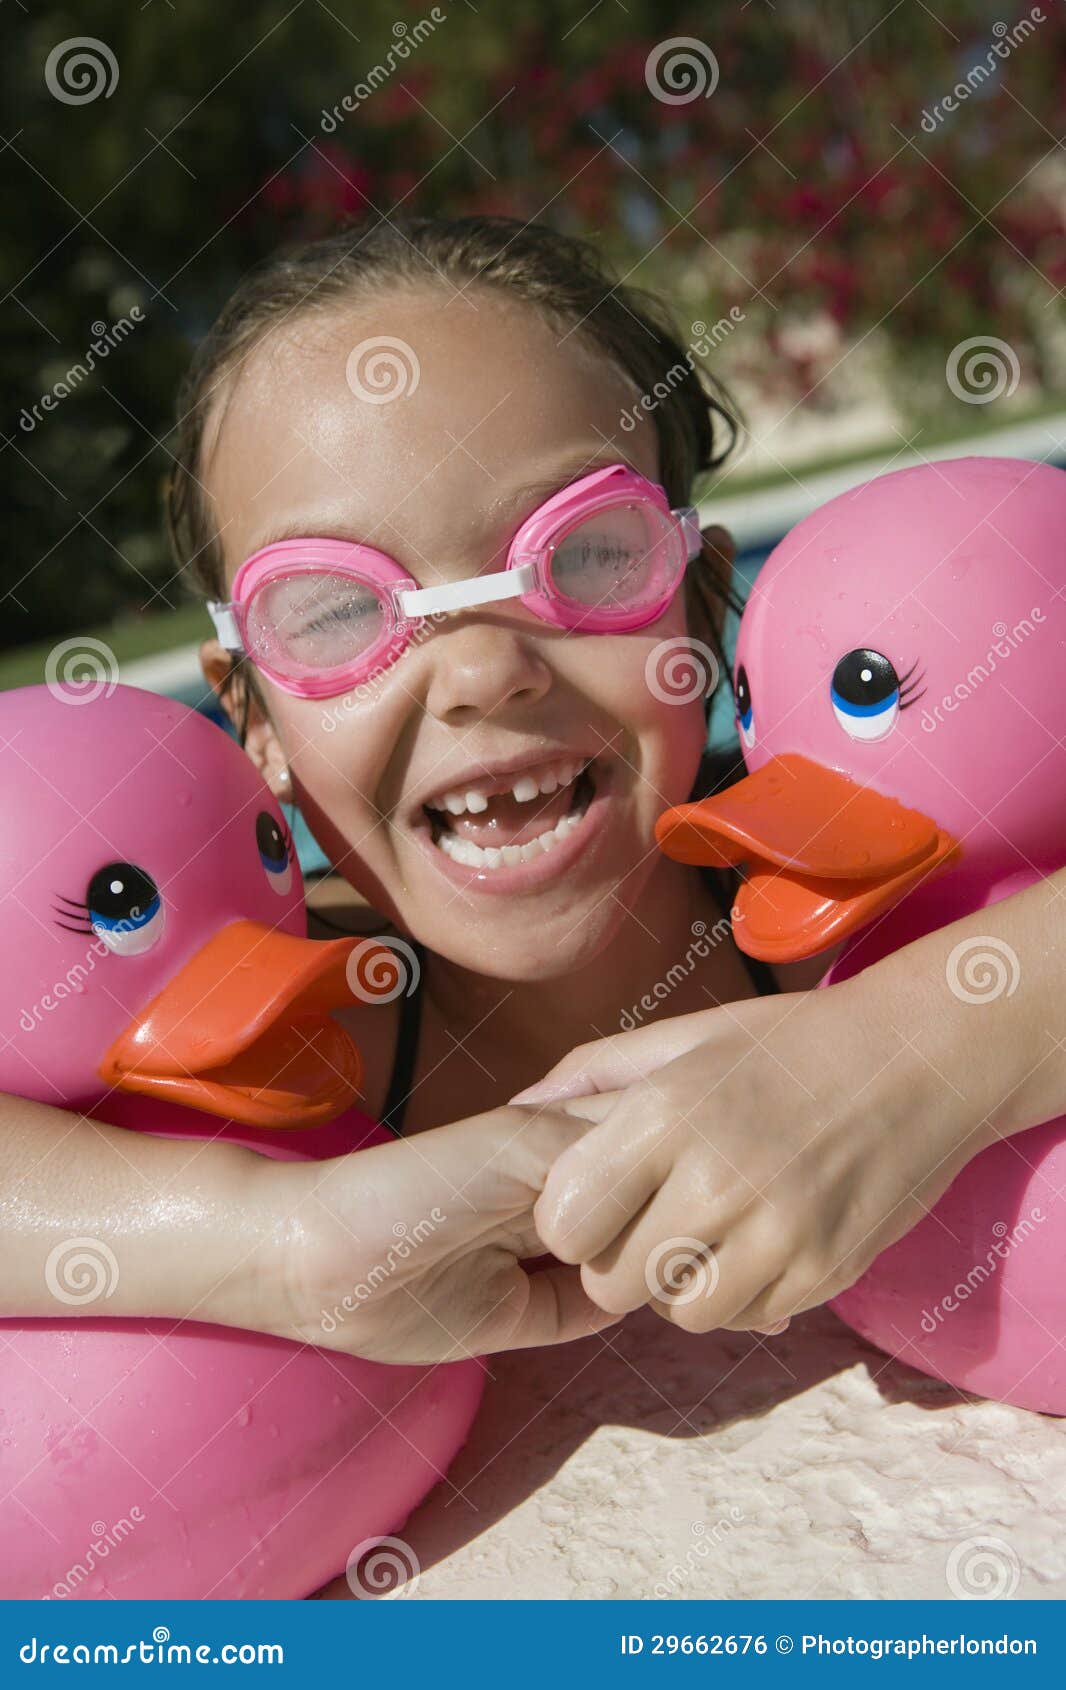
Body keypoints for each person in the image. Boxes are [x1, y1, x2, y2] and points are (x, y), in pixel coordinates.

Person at [5, 215, 1062, 1362]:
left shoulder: (889, 922)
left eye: (582, 555)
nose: (479, 672)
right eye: (336, 610)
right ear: (253, 714)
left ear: (703, 607)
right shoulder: (279, 1065)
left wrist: (906, 1055)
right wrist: (278, 1242)